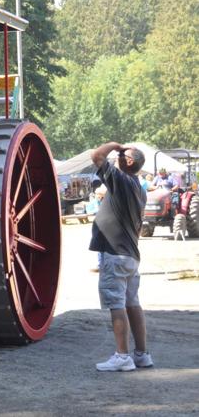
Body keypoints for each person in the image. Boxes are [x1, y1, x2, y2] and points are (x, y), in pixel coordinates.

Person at [89, 143, 153, 372]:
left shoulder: (121, 181)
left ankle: (122, 356)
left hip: (115, 254)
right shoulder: (138, 187)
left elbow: (96, 156)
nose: (116, 157)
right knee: (132, 303)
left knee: (116, 305)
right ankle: (142, 354)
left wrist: (115, 145)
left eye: (120, 156)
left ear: (128, 162)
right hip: (129, 254)